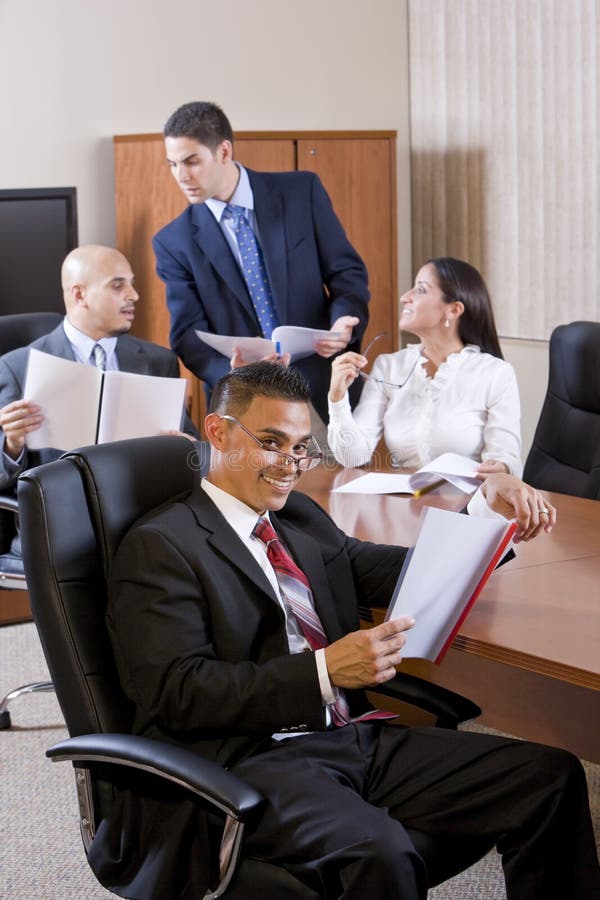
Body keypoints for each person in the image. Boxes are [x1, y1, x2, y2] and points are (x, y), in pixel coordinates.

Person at [104, 362, 599, 900]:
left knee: (548, 778)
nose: (290, 465)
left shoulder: (298, 519)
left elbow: (402, 571)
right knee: (380, 853)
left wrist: (488, 510)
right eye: (272, 443)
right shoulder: (162, 545)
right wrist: (324, 670)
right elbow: (177, 694)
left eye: (301, 448)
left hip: (347, 736)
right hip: (250, 759)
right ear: (219, 432)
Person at [152, 100, 370, 429]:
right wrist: (231, 373)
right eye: (172, 164)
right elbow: (186, 335)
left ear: (224, 152)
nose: (181, 176)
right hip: (244, 405)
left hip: (325, 385)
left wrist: (342, 324)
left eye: (191, 161)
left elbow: (346, 273)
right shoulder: (173, 242)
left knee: (341, 480)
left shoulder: (301, 192)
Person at [0, 244, 200, 565]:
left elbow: (195, 453)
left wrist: (185, 447)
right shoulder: (18, 367)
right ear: (80, 296)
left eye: (131, 284)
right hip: (62, 526)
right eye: (118, 285)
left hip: (144, 517)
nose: (134, 295)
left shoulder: (158, 360)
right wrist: (12, 444)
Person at [327, 257, 522, 474]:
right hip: (402, 502)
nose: (404, 297)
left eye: (420, 290)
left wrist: (501, 468)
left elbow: (504, 462)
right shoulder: (388, 367)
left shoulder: (495, 373)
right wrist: (337, 399)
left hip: (466, 503)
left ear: (454, 310)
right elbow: (353, 457)